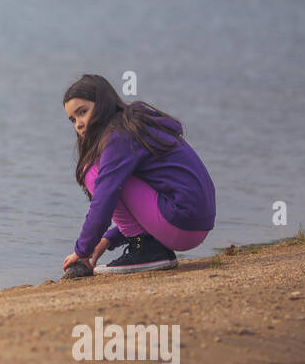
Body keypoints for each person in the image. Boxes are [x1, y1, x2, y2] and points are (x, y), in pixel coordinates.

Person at [60, 74, 216, 277]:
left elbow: (105, 199)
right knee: (107, 174)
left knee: (91, 170)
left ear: (103, 105)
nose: (78, 124)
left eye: (83, 112)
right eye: (73, 119)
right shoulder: (132, 126)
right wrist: (109, 238)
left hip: (181, 223)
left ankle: (147, 250)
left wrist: (82, 251)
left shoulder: (118, 137)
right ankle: (150, 247)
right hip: (195, 223)